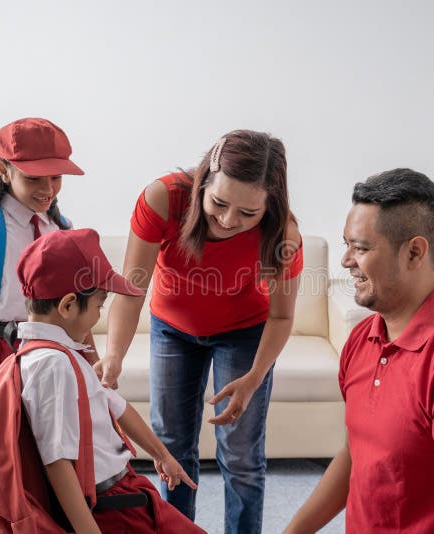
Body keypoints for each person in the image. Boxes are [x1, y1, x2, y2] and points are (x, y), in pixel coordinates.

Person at [95, 130, 303, 533]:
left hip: (245, 331)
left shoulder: (283, 235)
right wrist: (115, 354)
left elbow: (280, 317)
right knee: (170, 443)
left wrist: (253, 378)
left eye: (248, 213)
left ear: (270, 205)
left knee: (241, 454)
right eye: (219, 203)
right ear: (204, 179)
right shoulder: (163, 198)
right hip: (172, 328)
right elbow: (131, 289)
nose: (228, 220)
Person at [284, 168, 434, 534]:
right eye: (347, 244)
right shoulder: (361, 340)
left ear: (414, 252)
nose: (345, 260)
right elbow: (354, 456)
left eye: (361, 247)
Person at [13, 228, 205, 533]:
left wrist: (162, 455)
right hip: (107, 504)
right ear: (67, 305)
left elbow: (115, 405)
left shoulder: (64, 352)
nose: (99, 316)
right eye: (100, 305)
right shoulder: (51, 365)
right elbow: (57, 462)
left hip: (125, 487)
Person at [0, 117, 87, 418]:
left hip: (56, 352)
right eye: (34, 178)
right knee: (8, 449)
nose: (48, 189)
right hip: (4, 353)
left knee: (54, 448)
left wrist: (91, 363)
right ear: (4, 171)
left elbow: (76, 307)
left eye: (56, 177)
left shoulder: (62, 228)